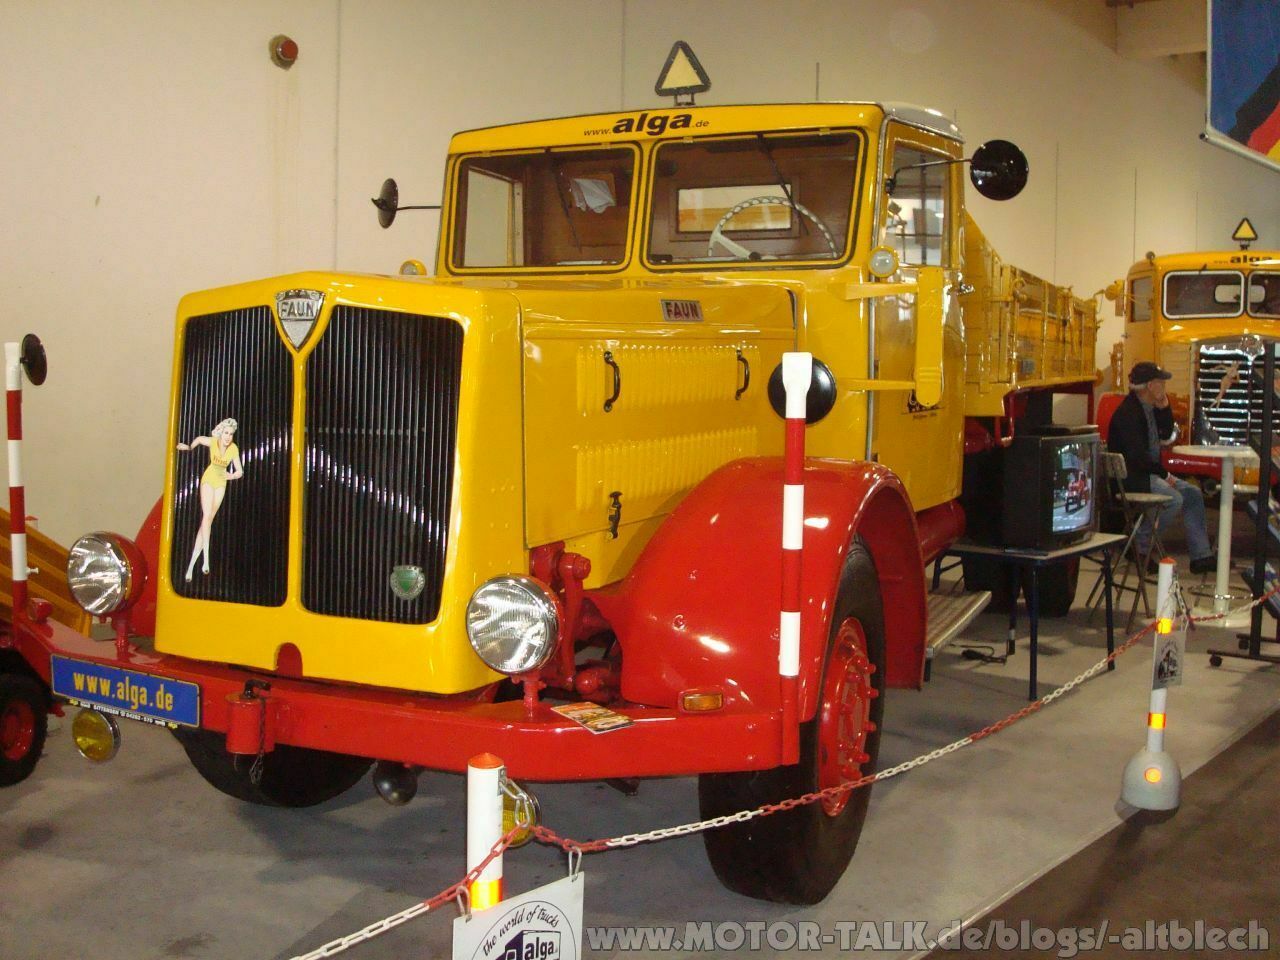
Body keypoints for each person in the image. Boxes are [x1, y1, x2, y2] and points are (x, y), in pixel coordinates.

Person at [1107, 362, 1215, 573]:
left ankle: (1201, 555)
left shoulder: (1148, 408)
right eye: (1160, 382)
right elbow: (1138, 458)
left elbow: (1166, 435)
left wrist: (1165, 406)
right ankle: (1139, 546)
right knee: (1174, 499)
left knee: (1192, 493)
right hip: (1134, 478)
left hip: (1147, 473)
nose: (1164, 385)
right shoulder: (1128, 414)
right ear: (1149, 385)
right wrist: (1166, 476)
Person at [176, 417, 243, 581]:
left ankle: (191, 566)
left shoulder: (233, 449)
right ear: (221, 433)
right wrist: (189, 447)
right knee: (206, 517)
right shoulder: (213, 442)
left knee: (208, 521)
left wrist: (232, 475)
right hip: (209, 477)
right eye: (226, 433)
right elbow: (199, 439)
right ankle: (206, 559)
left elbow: (240, 470)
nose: (228, 437)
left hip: (222, 481)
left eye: (231, 434)